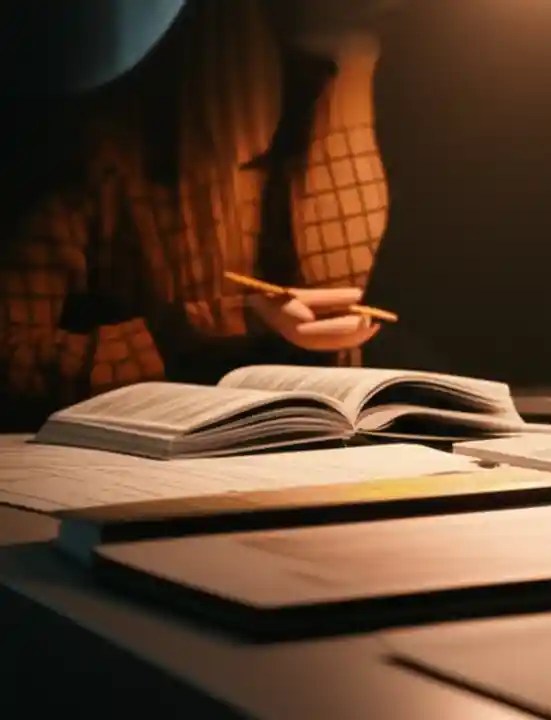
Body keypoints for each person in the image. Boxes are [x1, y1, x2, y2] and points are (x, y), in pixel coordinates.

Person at [0, 0, 394, 430]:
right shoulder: (95, 160)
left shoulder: (329, 125)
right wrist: (207, 325)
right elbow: (11, 360)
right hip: (131, 447)